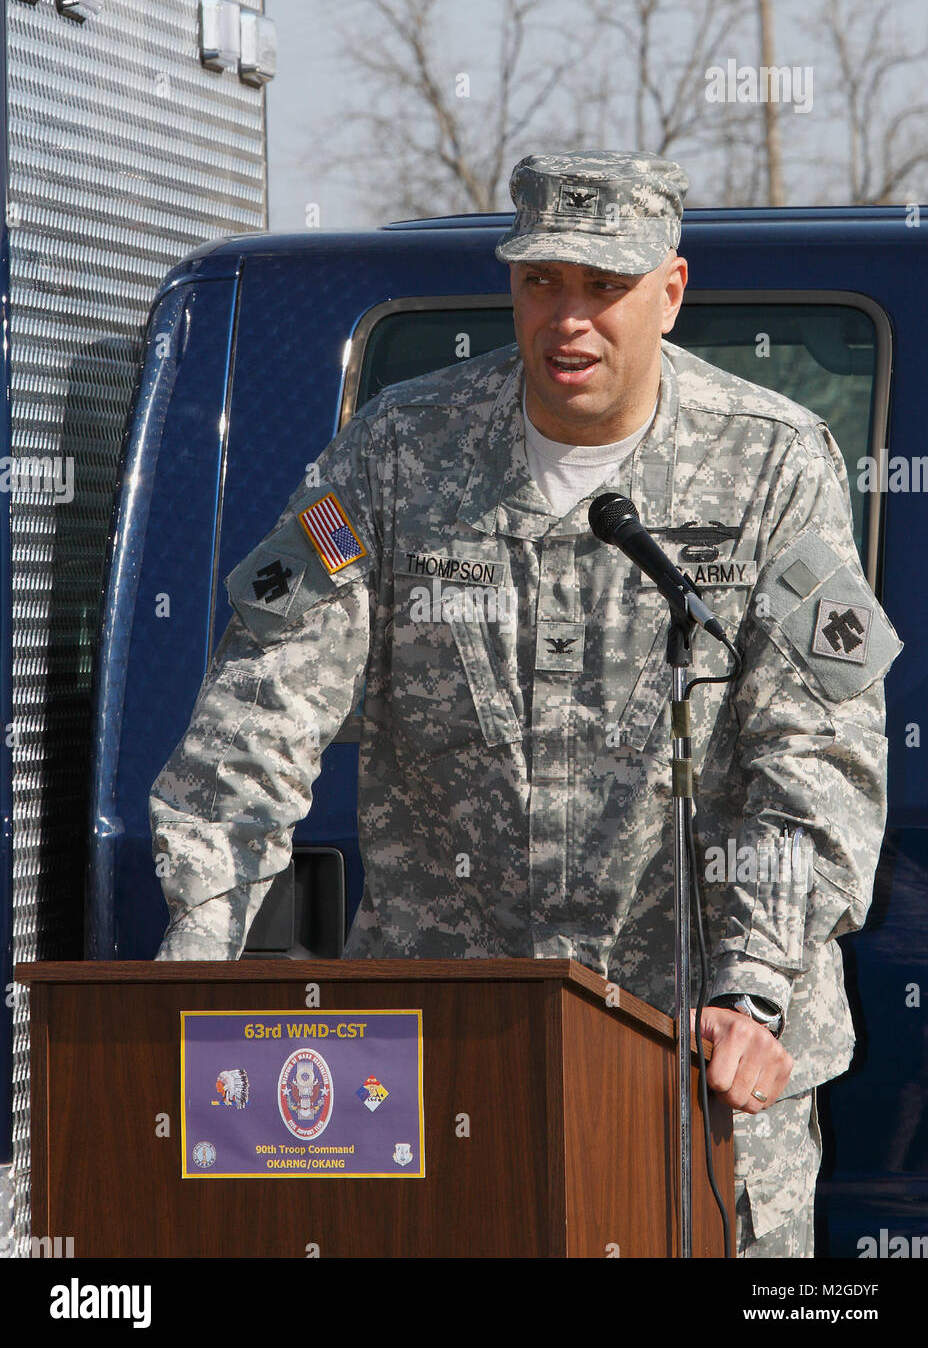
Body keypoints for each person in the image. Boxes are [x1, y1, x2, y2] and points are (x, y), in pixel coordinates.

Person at [150, 151, 902, 1257]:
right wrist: (198, 963)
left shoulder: (771, 467)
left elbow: (816, 752)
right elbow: (260, 712)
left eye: (604, 287)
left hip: (689, 1055)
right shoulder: (395, 454)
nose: (570, 320)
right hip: (449, 1051)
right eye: (542, 281)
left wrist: (754, 994)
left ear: (670, 290)